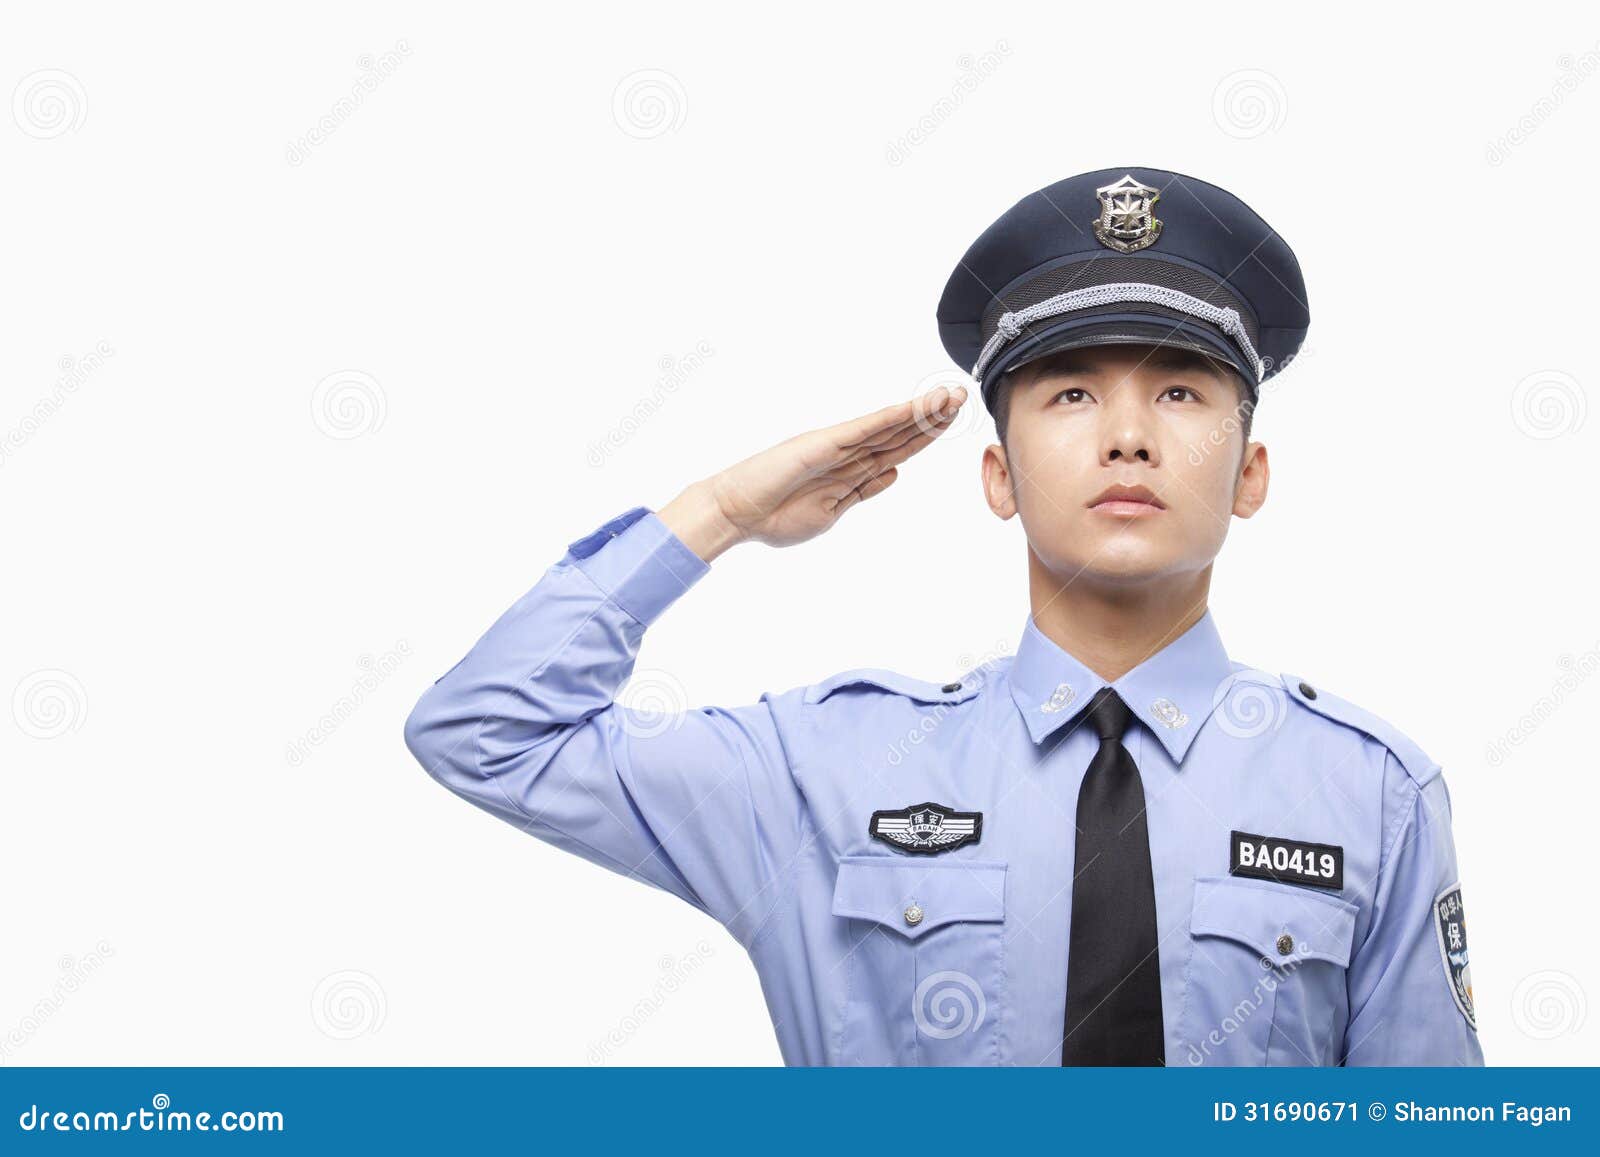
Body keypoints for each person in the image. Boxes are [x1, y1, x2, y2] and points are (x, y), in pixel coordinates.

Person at [404, 167, 1482, 1066]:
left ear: (1248, 473)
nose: (1124, 436)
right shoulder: (822, 768)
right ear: (997, 475)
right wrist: (717, 512)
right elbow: (485, 734)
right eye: (1067, 392)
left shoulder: (1369, 792)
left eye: (1179, 392)